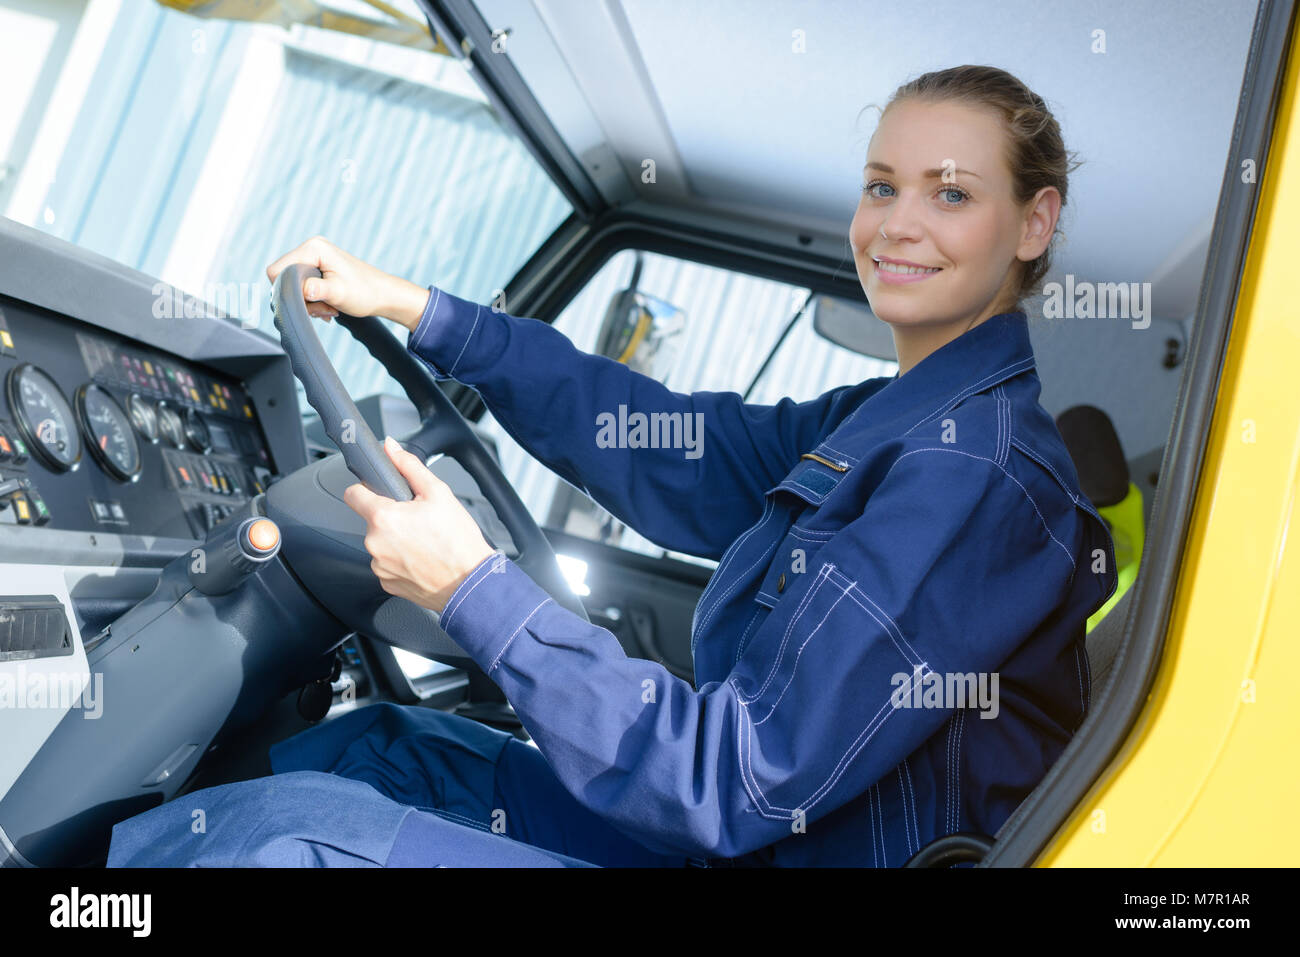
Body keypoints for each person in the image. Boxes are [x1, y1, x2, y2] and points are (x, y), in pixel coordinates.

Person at [107, 64, 1117, 868]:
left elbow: (734, 783)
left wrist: (471, 588)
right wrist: (422, 310)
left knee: (276, 847)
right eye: (881, 185)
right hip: (737, 847)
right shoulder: (892, 420)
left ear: (1032, 222)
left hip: (742, 834)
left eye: (950, 193)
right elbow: (676, 448)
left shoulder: (973, 478)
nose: (897, 223)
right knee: (378, 745)